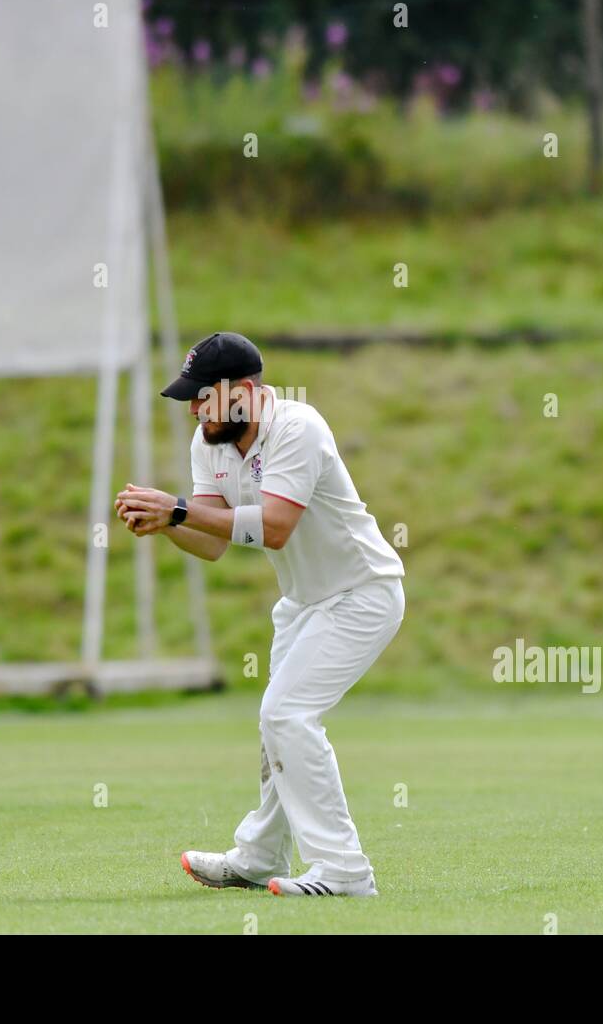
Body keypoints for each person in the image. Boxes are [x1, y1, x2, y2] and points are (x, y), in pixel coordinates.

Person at [114, 332, 406, 897]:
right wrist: (169, 522)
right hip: (301, 604)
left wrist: (178, 509)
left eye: (203, 397)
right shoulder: (211, 443)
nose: (195, 409)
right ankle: (259, 856)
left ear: (242, 392)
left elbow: (274, 526)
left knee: (287, 715)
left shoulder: (298, 427)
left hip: (363, 593)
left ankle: (345, 871)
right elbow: (214, 542)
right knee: (275, 727)